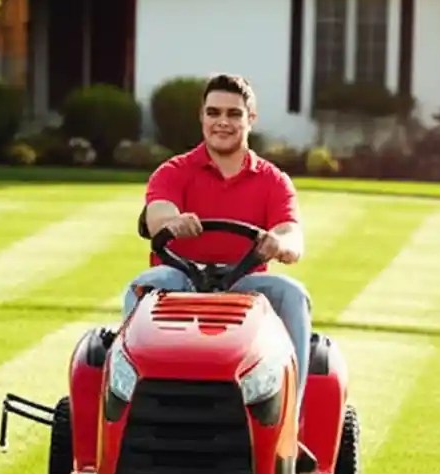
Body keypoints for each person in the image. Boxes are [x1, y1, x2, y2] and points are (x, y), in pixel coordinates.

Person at [122, 73, 313, 419]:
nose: (222, 122)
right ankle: (131, 412)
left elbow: (292, 236)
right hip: (180, 279)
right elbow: (157, 215)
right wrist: (173, 223)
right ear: (202, 117)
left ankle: (289, 420)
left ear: (250, 118)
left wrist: (279, 243)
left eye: (233, 114)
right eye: (213, 113)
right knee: (148, 284)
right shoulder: (173, 171)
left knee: (292, 294)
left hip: (245, 283)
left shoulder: (273, 181)